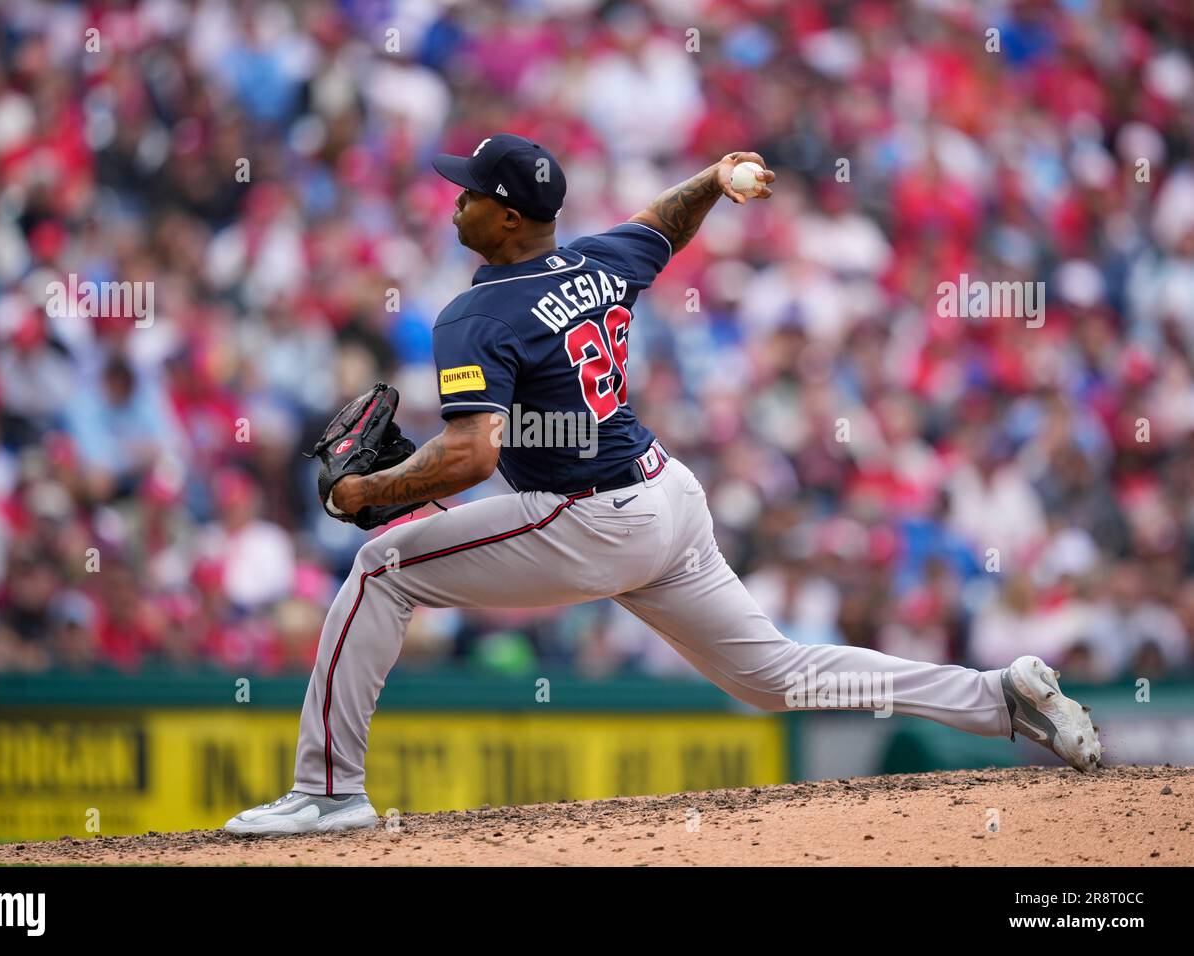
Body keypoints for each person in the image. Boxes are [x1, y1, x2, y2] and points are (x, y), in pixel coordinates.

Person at [225, 134, 1101, 835]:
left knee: (381, 567)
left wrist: (358, 497)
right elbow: (663, 226)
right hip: (664, 499)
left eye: (469, 192)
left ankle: (328, 791)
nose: (454, 199)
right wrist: (715, 179)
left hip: (596, 518)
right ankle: (998, 698)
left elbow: (472, 458)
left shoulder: (475, 312)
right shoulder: (599, 263)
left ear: (505, 215)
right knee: (776, 679)